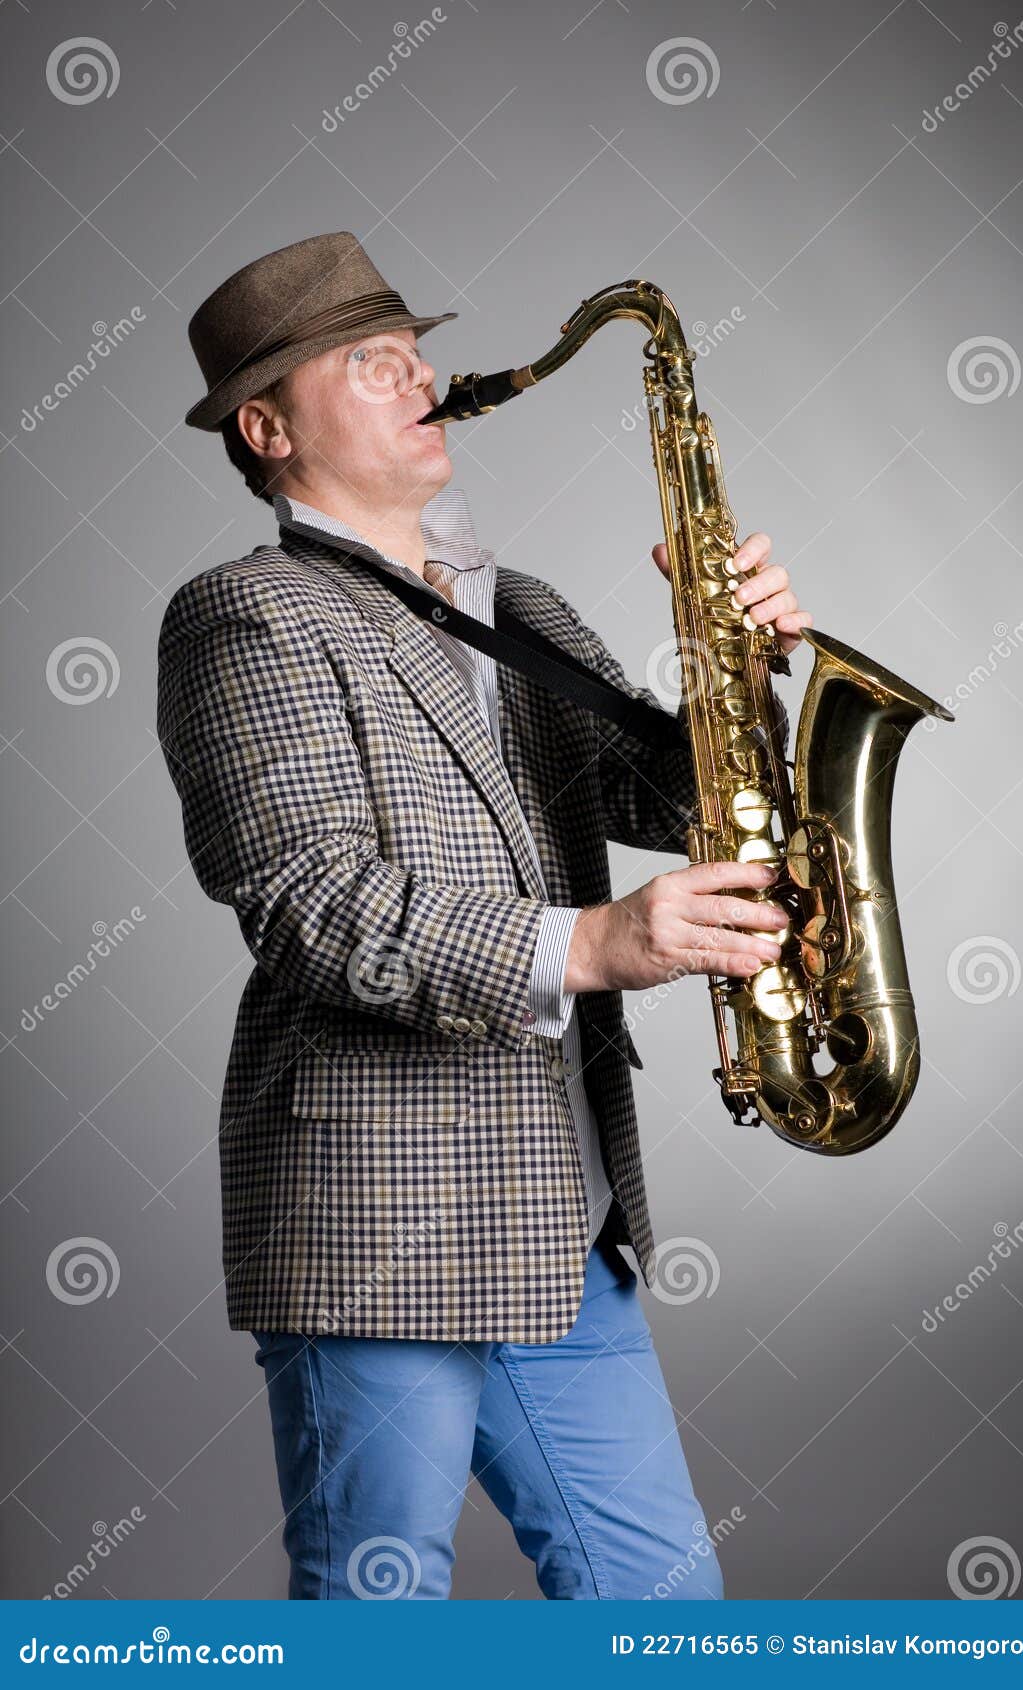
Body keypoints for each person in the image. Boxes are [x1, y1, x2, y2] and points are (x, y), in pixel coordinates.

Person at [158, 231, 813, 1601]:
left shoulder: (522, 607)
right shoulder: (246, 615)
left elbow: (683, 797)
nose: (421, 373)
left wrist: (741, 680)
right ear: (267, 426)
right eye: (366, 358)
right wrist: (588, 943)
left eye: (414, 345)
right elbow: (304, 901)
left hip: (558, 1210)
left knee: (664, 1611)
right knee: (378, 1620)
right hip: (376, 1214)